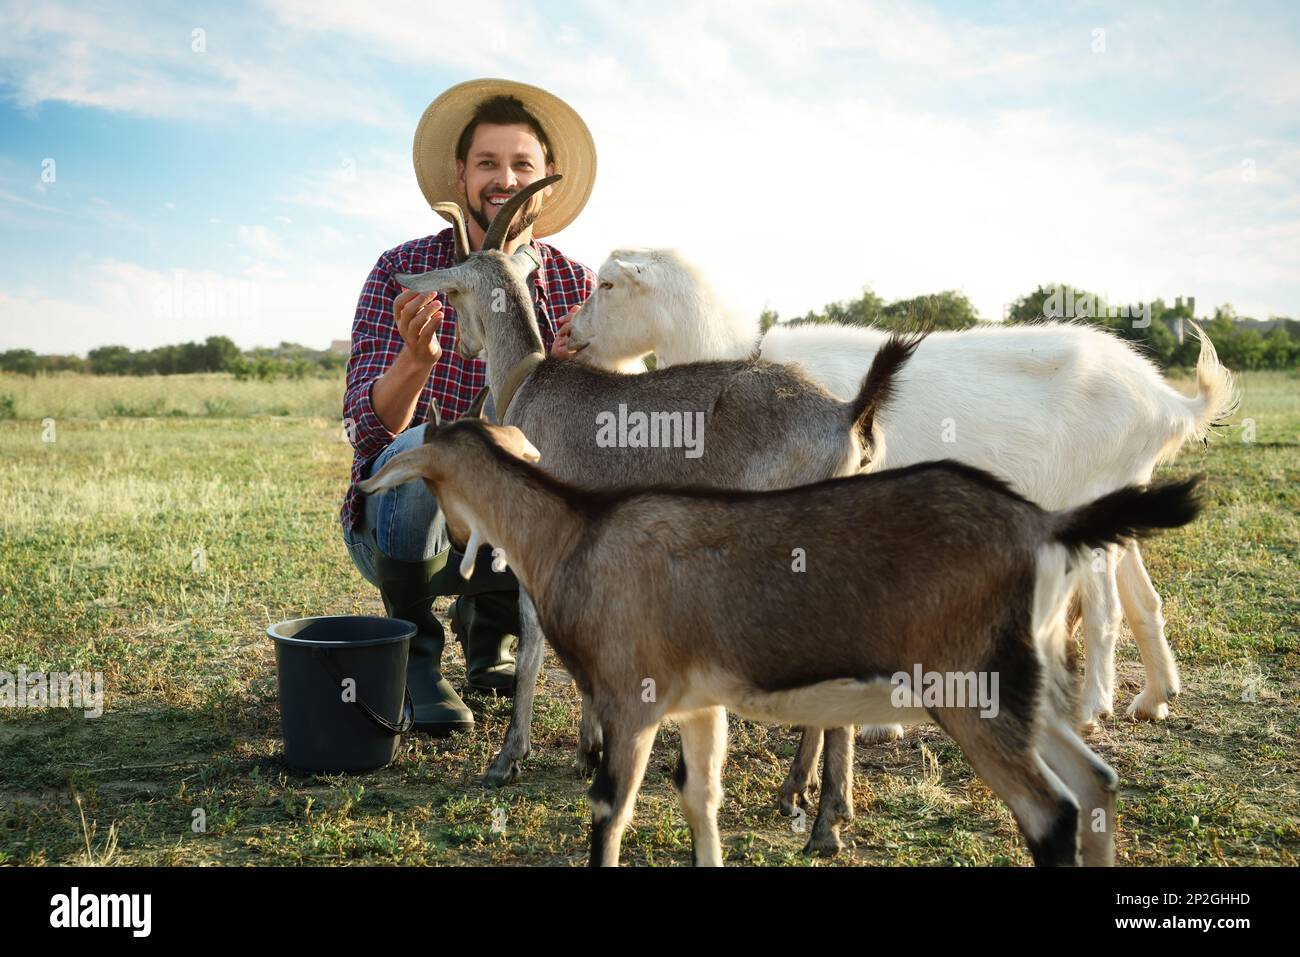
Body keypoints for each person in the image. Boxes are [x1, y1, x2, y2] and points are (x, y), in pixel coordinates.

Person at [339, 78, 597, 735]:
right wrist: (413, 362)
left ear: (547, 178)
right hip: (402, 529)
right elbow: (367, 433)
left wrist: (579, 383)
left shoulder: (577, 285)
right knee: (438, 444)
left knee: (552, 461)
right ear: (460, 174)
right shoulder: (404, 269)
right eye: (487, 163)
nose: (502, 179)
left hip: (516, 537)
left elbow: (609, 444)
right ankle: (417, 658)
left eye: (520, 165)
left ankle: (496, 632)